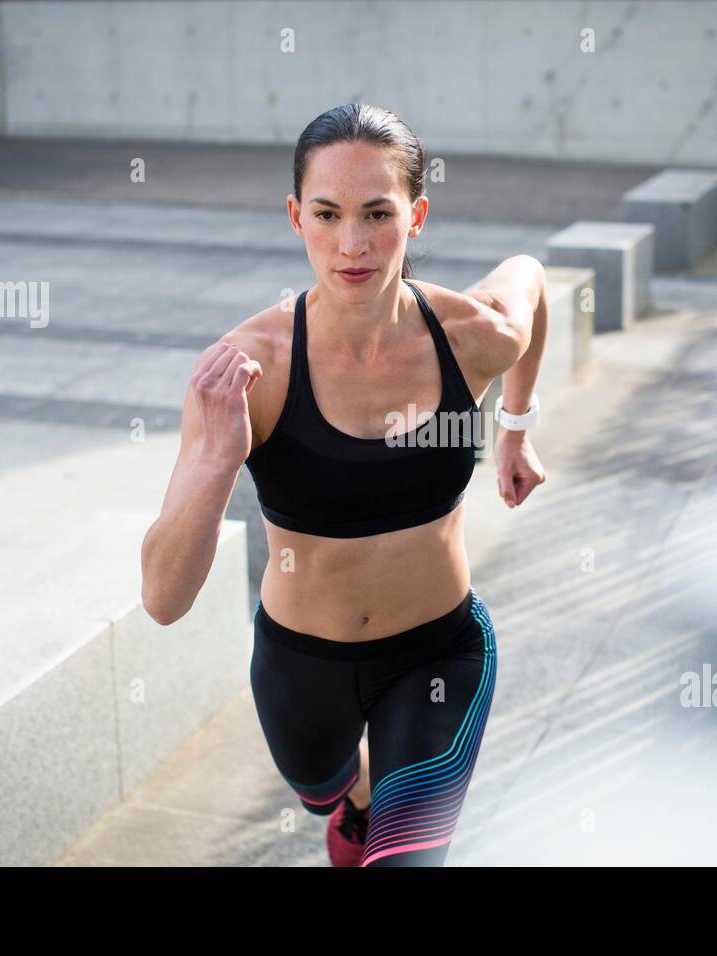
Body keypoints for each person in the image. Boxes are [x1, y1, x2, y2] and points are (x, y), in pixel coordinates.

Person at [141, 103, 549, 866]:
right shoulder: (248, 367)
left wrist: (518, 428)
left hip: (441, 655)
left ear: (416, 216)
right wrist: (215, 461)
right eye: (327, 214)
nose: (352, 244)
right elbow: (163, 599)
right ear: (296, 216)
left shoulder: (472, 337)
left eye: (377, 214)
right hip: (301, 668)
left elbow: (530, 281)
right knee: (330, 792)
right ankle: (356, 804)